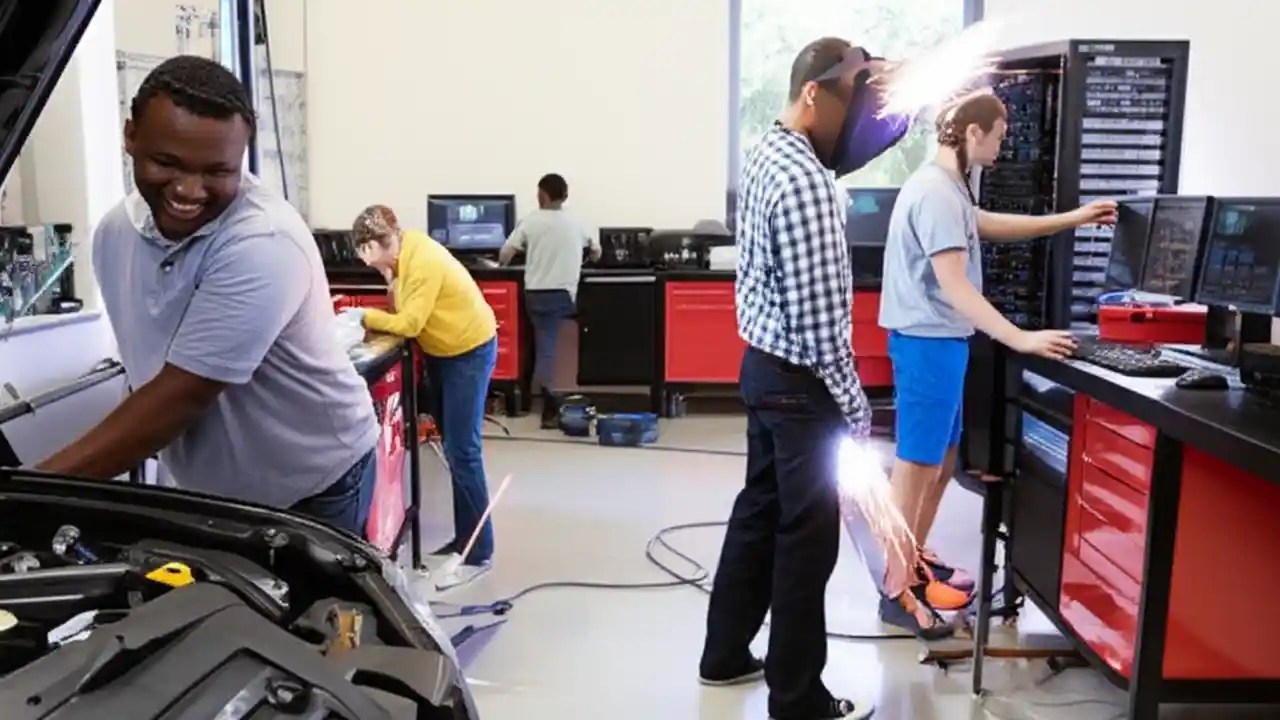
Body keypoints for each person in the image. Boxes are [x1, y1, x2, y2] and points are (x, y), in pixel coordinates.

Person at [36, 56, 380, 537]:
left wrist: (32, 492)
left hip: (311, 484)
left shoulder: (263, 243)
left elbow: (182, 396)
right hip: (210, 489)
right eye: (167, 163)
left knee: (304, 611)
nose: (189, 190)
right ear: (130, 135)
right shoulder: (115, 235)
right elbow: (149, 368)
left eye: (217, 171)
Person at [877, 89, 1117, 634]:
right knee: (915, 468)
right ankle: (896, 590)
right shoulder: (937, 194)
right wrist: (1021, 338)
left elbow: (984, 223)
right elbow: (956, 285)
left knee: (939, 461)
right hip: (927, 342)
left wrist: (1070, 219)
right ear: (972, 132)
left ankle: (911, 559)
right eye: (998, 137)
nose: (1001, 149)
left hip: (941, 342)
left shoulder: (948, 189)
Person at [700, 38, 876, 720]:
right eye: (849, 106)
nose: (855, 126)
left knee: (759, 512)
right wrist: (855, 408)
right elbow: (820, 323)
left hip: (761, 369)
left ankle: (723, 655)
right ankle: (797, 698)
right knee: (808, 539)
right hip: (801, 382)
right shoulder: (807, 182)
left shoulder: (767, 152)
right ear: (813, 96)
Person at [345, 205, 499, 581]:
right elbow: (405, 308)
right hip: (444, 352)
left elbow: (410, 322)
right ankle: (465, 539)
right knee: (453, 448)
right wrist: (387, 276)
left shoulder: (423, 260)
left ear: (375, 244)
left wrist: (361, 315)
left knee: (464, 451)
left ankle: (478, 549)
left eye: (365, 252)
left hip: (467, 351)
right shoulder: (402, 257)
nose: (363, 260)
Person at [498, 173, 600, 428]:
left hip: (537, 296)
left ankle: (547, 404)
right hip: (565, 297)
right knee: (544, 346)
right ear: (565, 196)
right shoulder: (576, 222)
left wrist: (505, 262)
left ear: (541, 195)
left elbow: (505, 254)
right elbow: (596, 252)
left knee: (543, 347)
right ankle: (546, 402)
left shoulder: (531, 222)